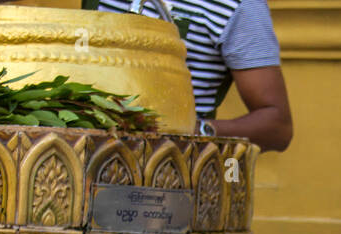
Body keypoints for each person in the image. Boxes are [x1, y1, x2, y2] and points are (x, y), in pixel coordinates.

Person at [85, 0, 292, 151]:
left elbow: (277, 126)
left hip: (172, 177)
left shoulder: (242, 7)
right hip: (83, 165)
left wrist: (194, 132)